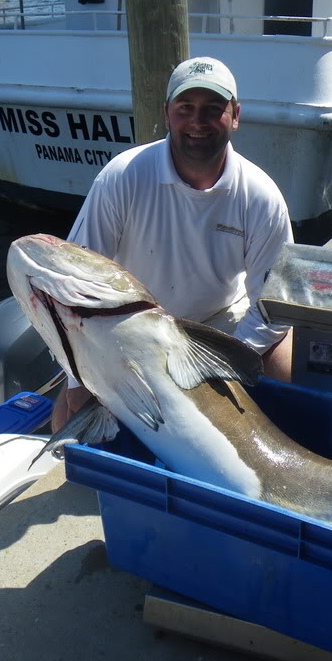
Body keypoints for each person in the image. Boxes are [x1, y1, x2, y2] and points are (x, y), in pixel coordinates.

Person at [52, 56, 294, 431]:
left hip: (218, 323)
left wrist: (217, 365)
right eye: (186, 108)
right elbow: (72, 286)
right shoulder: (121, 177)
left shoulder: (260, 195)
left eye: (214, 109)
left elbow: (272, 306)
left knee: (286, 371)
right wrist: (78, 379)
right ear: (167, 114)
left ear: (235, 115)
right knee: (68, 415)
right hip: (132, 327)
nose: (198, 121)